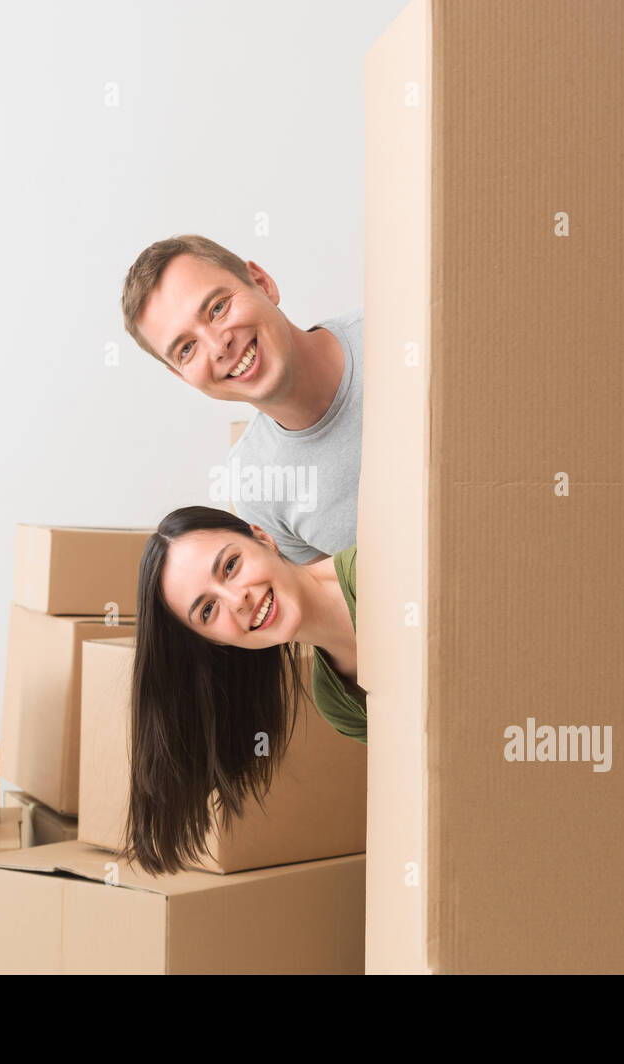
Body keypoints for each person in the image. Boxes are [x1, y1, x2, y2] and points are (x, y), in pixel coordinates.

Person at [119, 505, 364, 876]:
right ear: (214, 642)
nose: (237, 601)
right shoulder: (337, 701)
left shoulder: (381, 569)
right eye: (207, 611)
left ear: (263, 537)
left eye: (230, 566)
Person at [121, 234, 362, 564]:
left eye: (217, 308)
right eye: (187, 349)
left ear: (262, 283)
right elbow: (336, 604)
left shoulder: (399, 332)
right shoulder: (258, 486)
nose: (218, 347)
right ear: (181, 376)